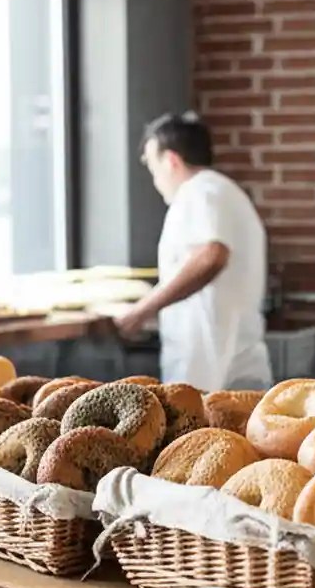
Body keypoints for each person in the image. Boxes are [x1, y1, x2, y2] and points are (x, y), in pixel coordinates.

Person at [115, 112, 273, 392]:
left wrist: (142, 310)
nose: (155, 180)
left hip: (208, 366)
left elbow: (212, 255)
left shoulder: (200, 192)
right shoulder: (223, 192)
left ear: (171, 161)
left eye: (153, 167)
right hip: (230, 358)